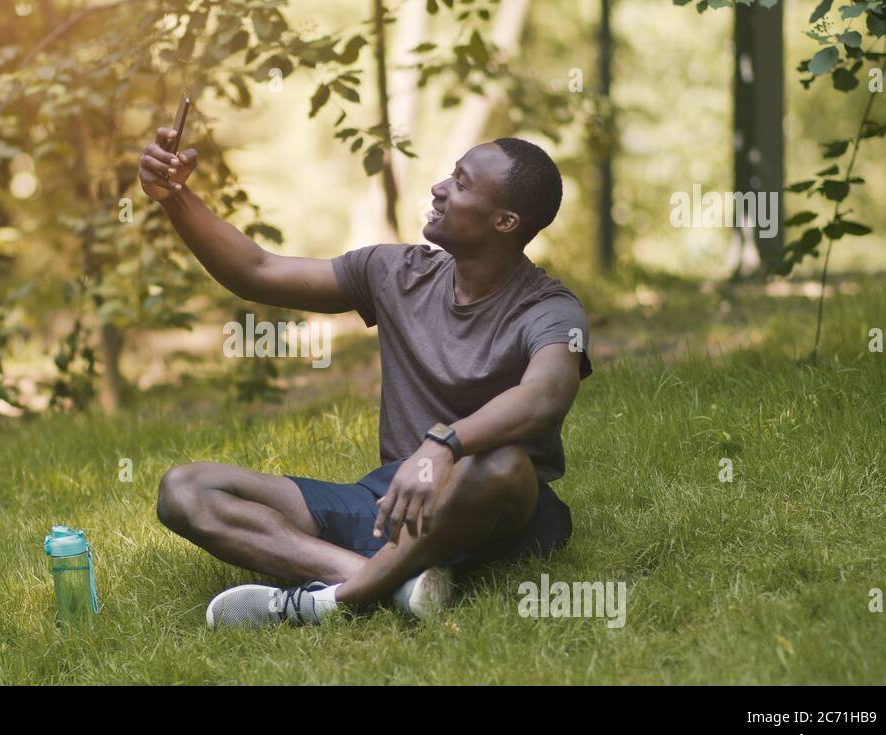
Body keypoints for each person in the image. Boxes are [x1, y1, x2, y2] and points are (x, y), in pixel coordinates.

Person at [139, 127, 592, 628]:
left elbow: (545, 395)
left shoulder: (549, 309)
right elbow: (258, 270)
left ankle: (332, 601)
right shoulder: (395, 272)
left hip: (493, 510)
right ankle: (388, 579)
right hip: (391, 502)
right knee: (186, 490)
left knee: (503, 462)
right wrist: (174, 197)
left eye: (461, 184)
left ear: (505, 221)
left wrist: (443, 446)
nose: (440, 187)